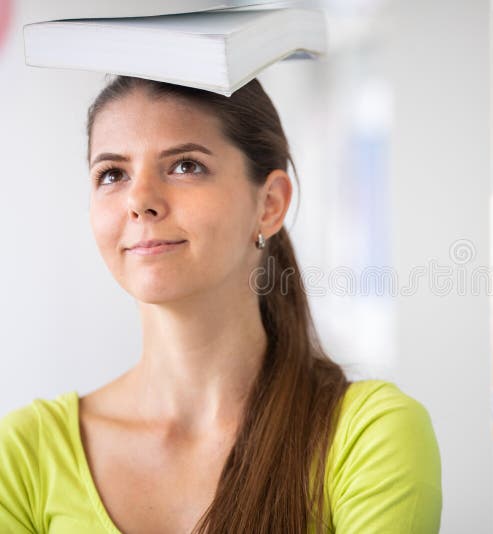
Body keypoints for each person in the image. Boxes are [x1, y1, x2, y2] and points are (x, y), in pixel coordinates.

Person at [0, 75, 442, 533]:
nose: (140, 201)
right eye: (112, 174)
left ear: (269, 204)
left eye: (185, 166)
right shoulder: (23, 455)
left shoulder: (371, 435)